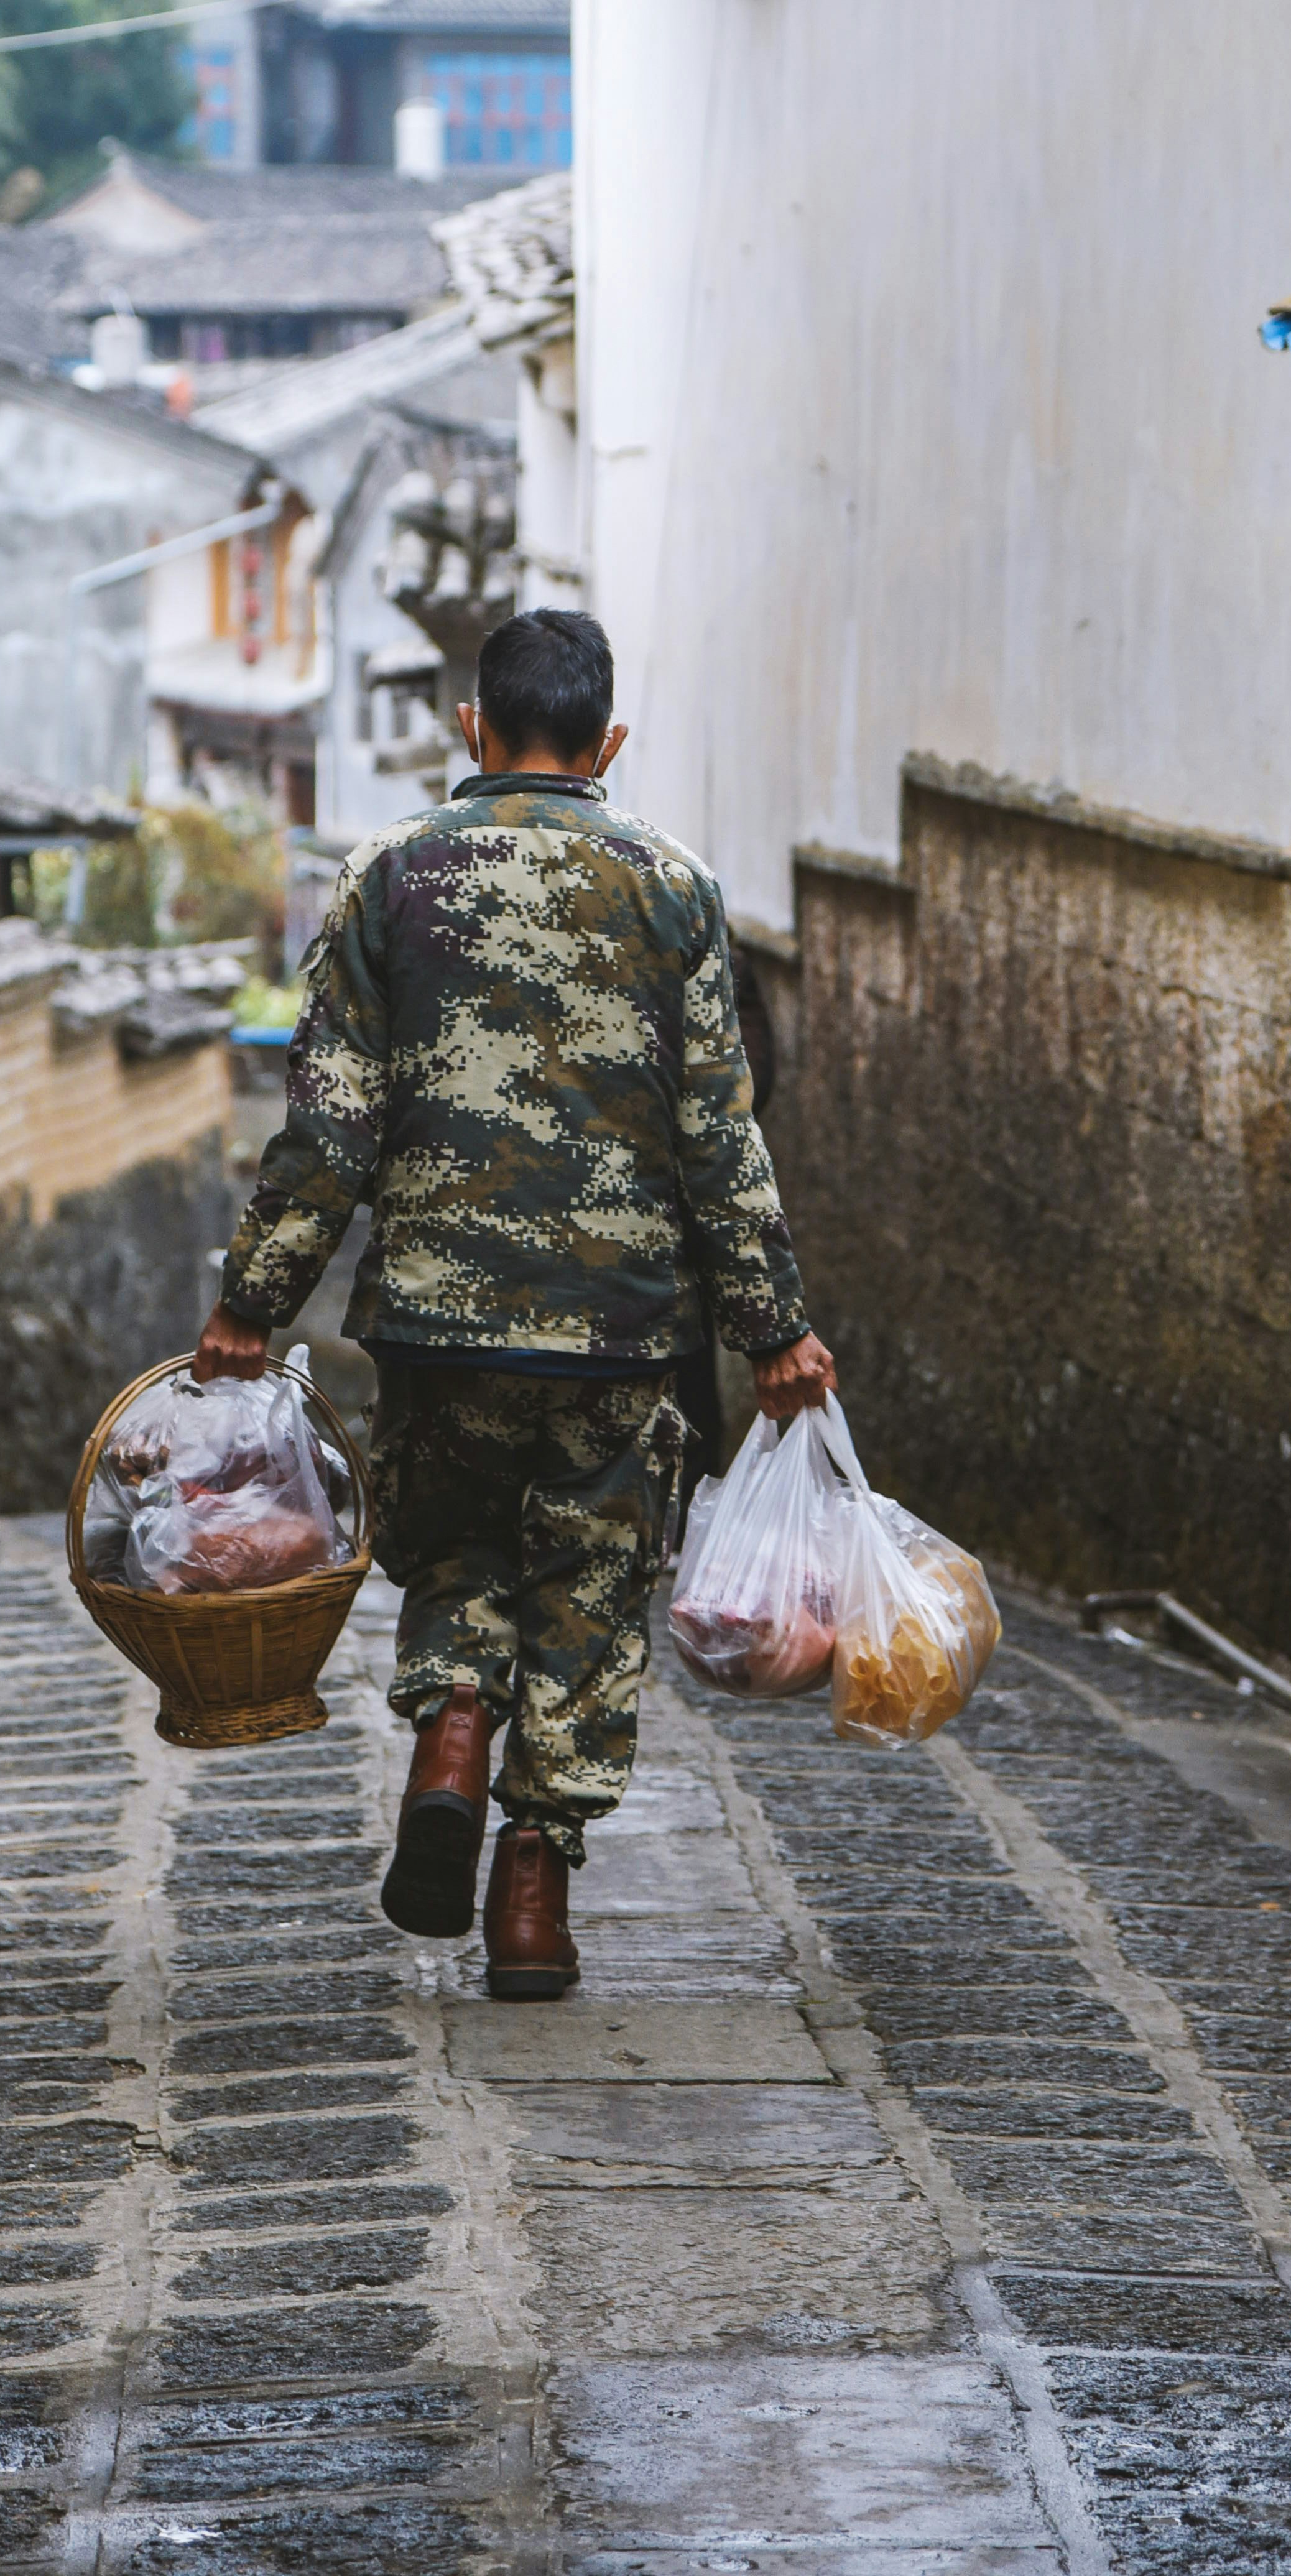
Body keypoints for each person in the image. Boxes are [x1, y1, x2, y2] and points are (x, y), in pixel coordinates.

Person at [196, 606, 835, 2000]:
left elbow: (330, 1126)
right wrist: (773, 1323)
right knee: (590, 1590)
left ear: (470, 730)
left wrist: (255, 1300)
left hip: (436, 1318)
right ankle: (533, 1892)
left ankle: (451, 1732)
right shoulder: (675, 888)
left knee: (454, 1552)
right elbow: (719, 1134)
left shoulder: (391, 874)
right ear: (607, 741)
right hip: (619, 1326)